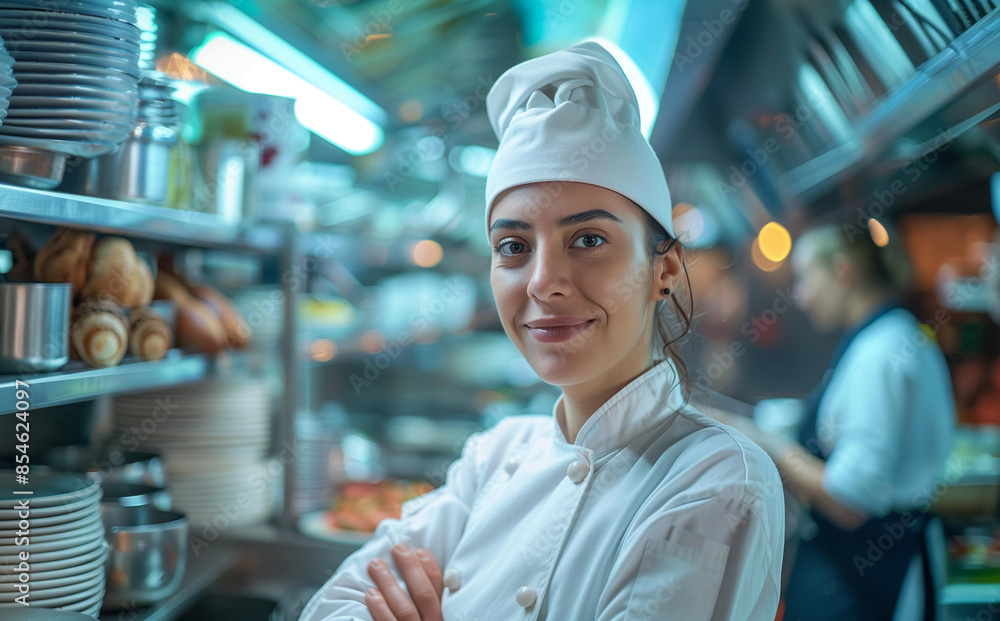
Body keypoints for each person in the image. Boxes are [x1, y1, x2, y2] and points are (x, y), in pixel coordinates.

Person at [300, 41, 784, 621]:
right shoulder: (497, 454)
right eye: (513, 247)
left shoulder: (716, 478)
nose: (542, 282)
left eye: (588, 240)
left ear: (665, 270)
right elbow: (333, 606)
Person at [723, 221, 956, 621]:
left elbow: (851, 500)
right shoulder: (892, 337)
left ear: (843, 273)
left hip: (864, 580)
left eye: (806, 279)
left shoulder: (879, 355)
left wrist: (769, 446)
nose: (800, 296)